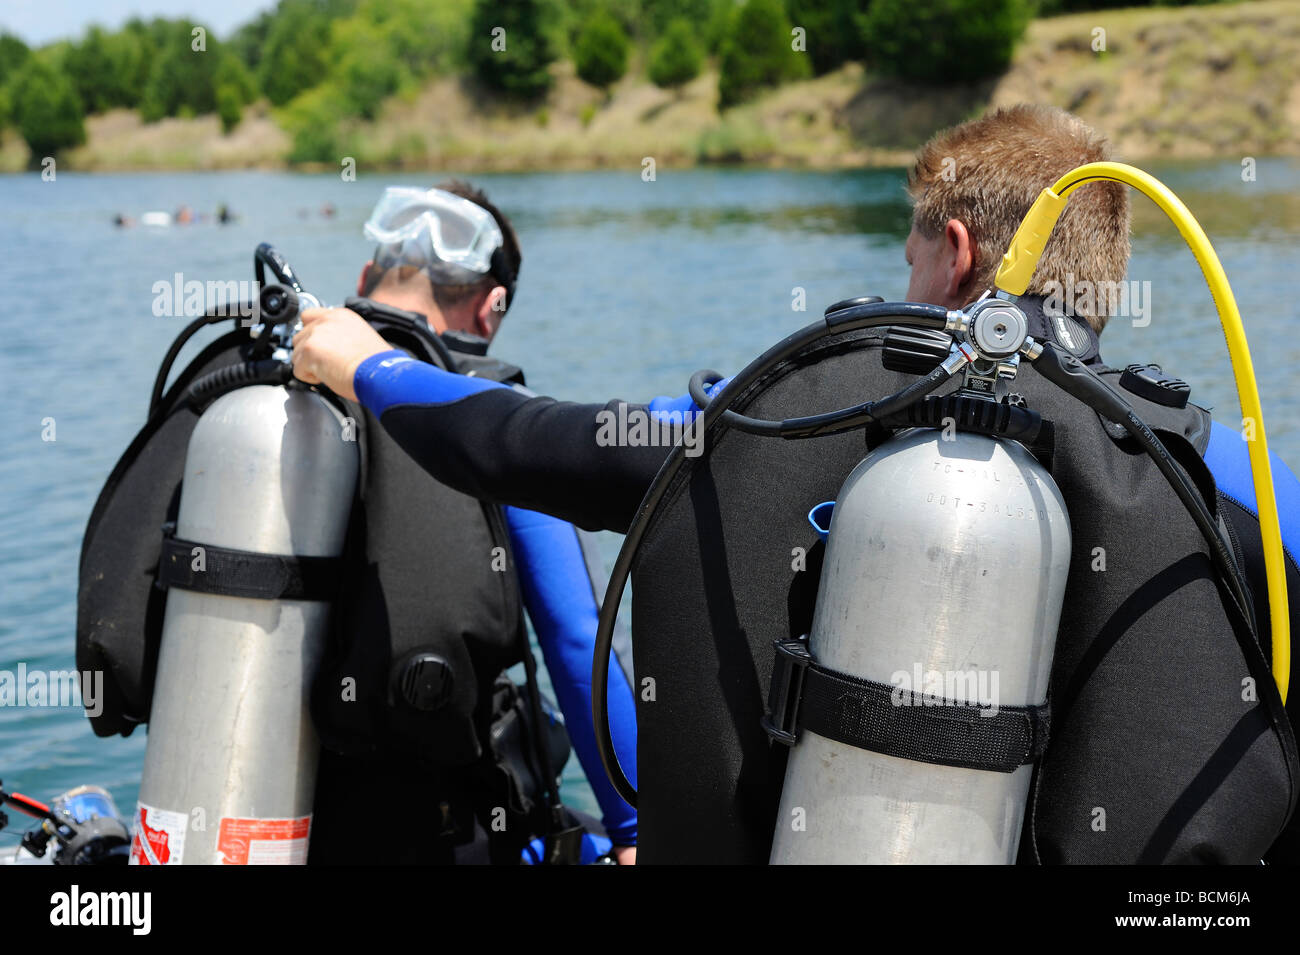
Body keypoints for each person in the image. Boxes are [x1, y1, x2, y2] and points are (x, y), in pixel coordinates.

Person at [291, 106, 1300, 863]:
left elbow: (511, 439)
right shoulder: (1232, 477)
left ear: (952, 254)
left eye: (908, 247)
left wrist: (361, 362)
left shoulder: (767, 411)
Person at [306, 181, 639, 865]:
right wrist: (637, 831)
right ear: (492, 308)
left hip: (264, 809)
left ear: (364, 280)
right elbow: (580, 642)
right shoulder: (492, 415)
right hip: (438, 833)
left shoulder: (267, 390)